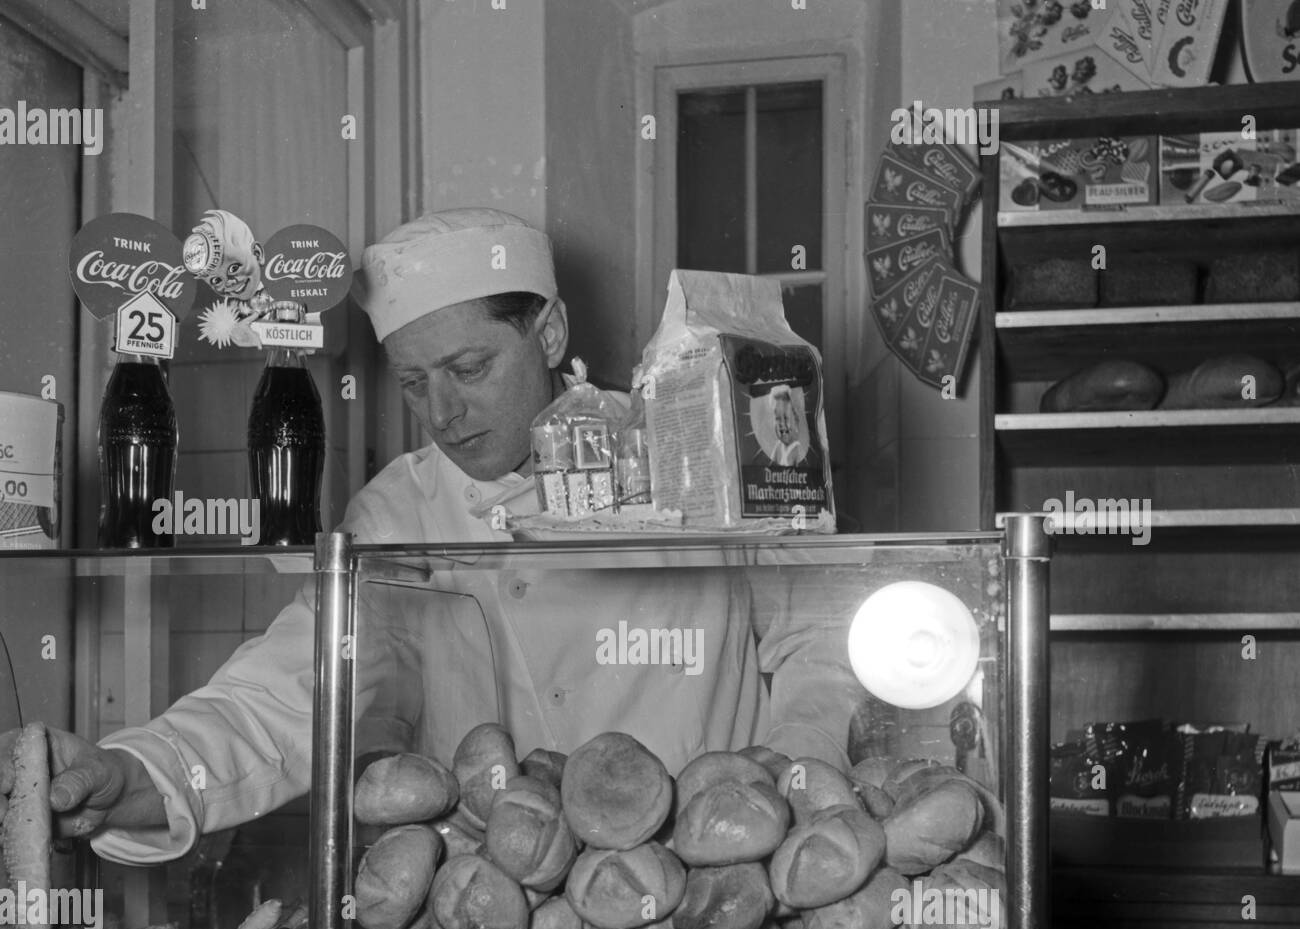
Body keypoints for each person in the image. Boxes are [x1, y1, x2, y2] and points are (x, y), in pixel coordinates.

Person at [0, 209, 861, 867]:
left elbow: (825, 641)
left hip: (713, 882)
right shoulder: (398, 514)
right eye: (415, 384)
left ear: (549, 332)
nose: (443, 414)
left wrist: (783, 788)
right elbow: (294, 689)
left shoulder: (695, 448)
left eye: (469, 369)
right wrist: (142, 774)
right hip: (497, 918)